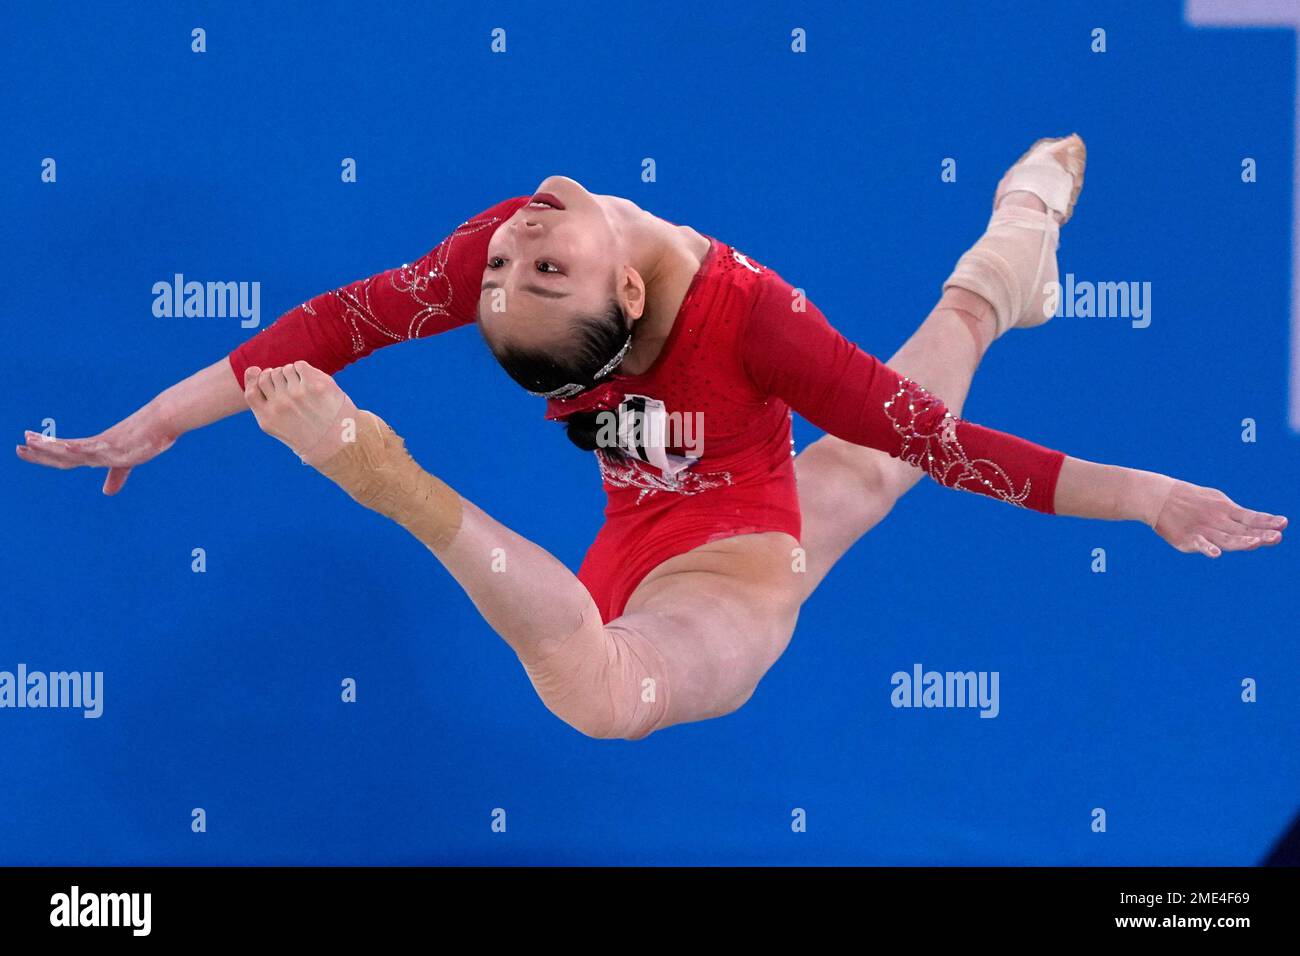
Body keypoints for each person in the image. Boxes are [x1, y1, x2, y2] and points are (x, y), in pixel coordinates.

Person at [18, 136, 1286, 740]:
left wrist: (1150, 496)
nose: (520, 228)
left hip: (732, 558)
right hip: (635, 512)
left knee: (616, 689)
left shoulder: (756, 322)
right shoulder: (509, 269)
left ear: (631, 292)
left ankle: (1006, 255)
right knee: (871, 458)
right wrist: (160, 419)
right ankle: (1006, 272)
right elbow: (332, 326)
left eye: (535, 252)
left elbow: (951, 444)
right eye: (513, 255)